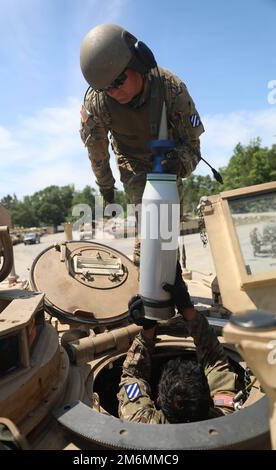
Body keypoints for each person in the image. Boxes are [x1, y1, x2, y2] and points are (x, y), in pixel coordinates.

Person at [80, 24, 204, 265]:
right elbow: (97, 152)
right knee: (148, 232)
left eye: (118, 81)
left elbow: (193, 147)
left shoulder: (171, 88)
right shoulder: (96, 103)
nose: (113, 92)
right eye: (105, 88)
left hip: (170, 161)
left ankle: (169, 280)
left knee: (166, 231)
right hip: (132, 162)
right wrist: (107, 191)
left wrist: (179, 164)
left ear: (138, 61)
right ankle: (149, 284)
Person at [117, 274, 239, 424]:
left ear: (159, 400)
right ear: (209, 398)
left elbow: (131, 376)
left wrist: (148, 327)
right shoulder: (225, 419)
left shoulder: (140, 421)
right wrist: (188, 309)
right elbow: (215, 361)